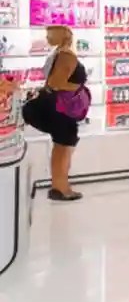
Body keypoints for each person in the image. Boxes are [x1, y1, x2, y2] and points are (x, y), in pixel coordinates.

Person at [21, 26, 87, 201]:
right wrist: (77, 87)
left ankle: (59, 186)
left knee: (61, 147)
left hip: (56, 106)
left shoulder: (59, 54)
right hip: (62, 109)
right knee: (63, 148)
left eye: (50, 34)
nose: (47, 37)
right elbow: (56, 83)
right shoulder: (66, 55)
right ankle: (61, 188)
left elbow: (51, 83)